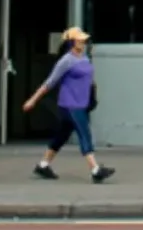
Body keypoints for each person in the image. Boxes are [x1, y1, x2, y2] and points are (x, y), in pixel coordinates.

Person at [22, 27, 114, 183]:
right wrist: (32, 100)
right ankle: (95, 170)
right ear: (71, 42)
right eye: (80, 40)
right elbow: (49, 83)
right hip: (70, 105)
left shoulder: (84, 57)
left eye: (84, 40)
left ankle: (43, 165)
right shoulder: (66, 60)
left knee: (62, 136)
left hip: (81, 103)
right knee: (85, 133)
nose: (83, 42)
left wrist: (92, 95)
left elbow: (88, 79)